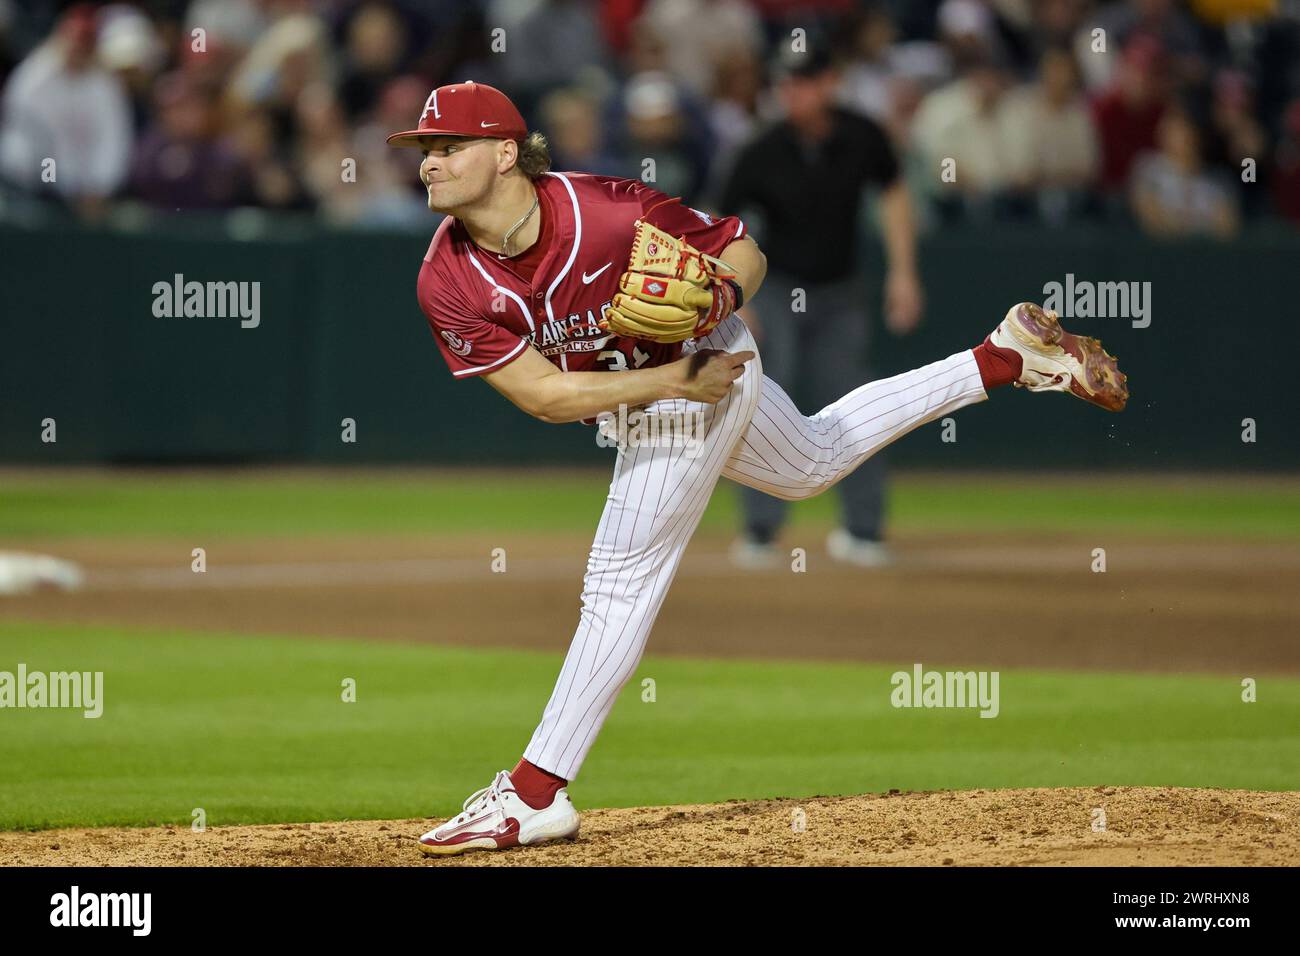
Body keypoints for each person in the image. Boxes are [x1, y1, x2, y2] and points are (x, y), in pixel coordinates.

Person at [387, 81, 1128, 856]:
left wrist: (721, 296)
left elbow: (745, 247)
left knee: (617, 579)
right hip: (668, 387)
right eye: (424, 151)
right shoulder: (447, 276)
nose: (429, 164)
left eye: (446, 148)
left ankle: (534, 795)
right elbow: (543, 395)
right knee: (811, 460)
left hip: (707, 361)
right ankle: (1004, 356)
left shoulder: (604, 209)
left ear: (506, 154)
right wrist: (668, 381)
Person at [718, 46, 923, 568]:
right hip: (778, 290)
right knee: (762, 404)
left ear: (830, 83)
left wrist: (903, 272)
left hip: (842, 290)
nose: (793, 93)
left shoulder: (861, 135)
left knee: (857, 403)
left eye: (804, 83)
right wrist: (733, 298)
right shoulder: (762, 148)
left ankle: (864, 530)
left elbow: (894, 193)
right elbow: (718, 224)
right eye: (786, 84)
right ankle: (761, 533)